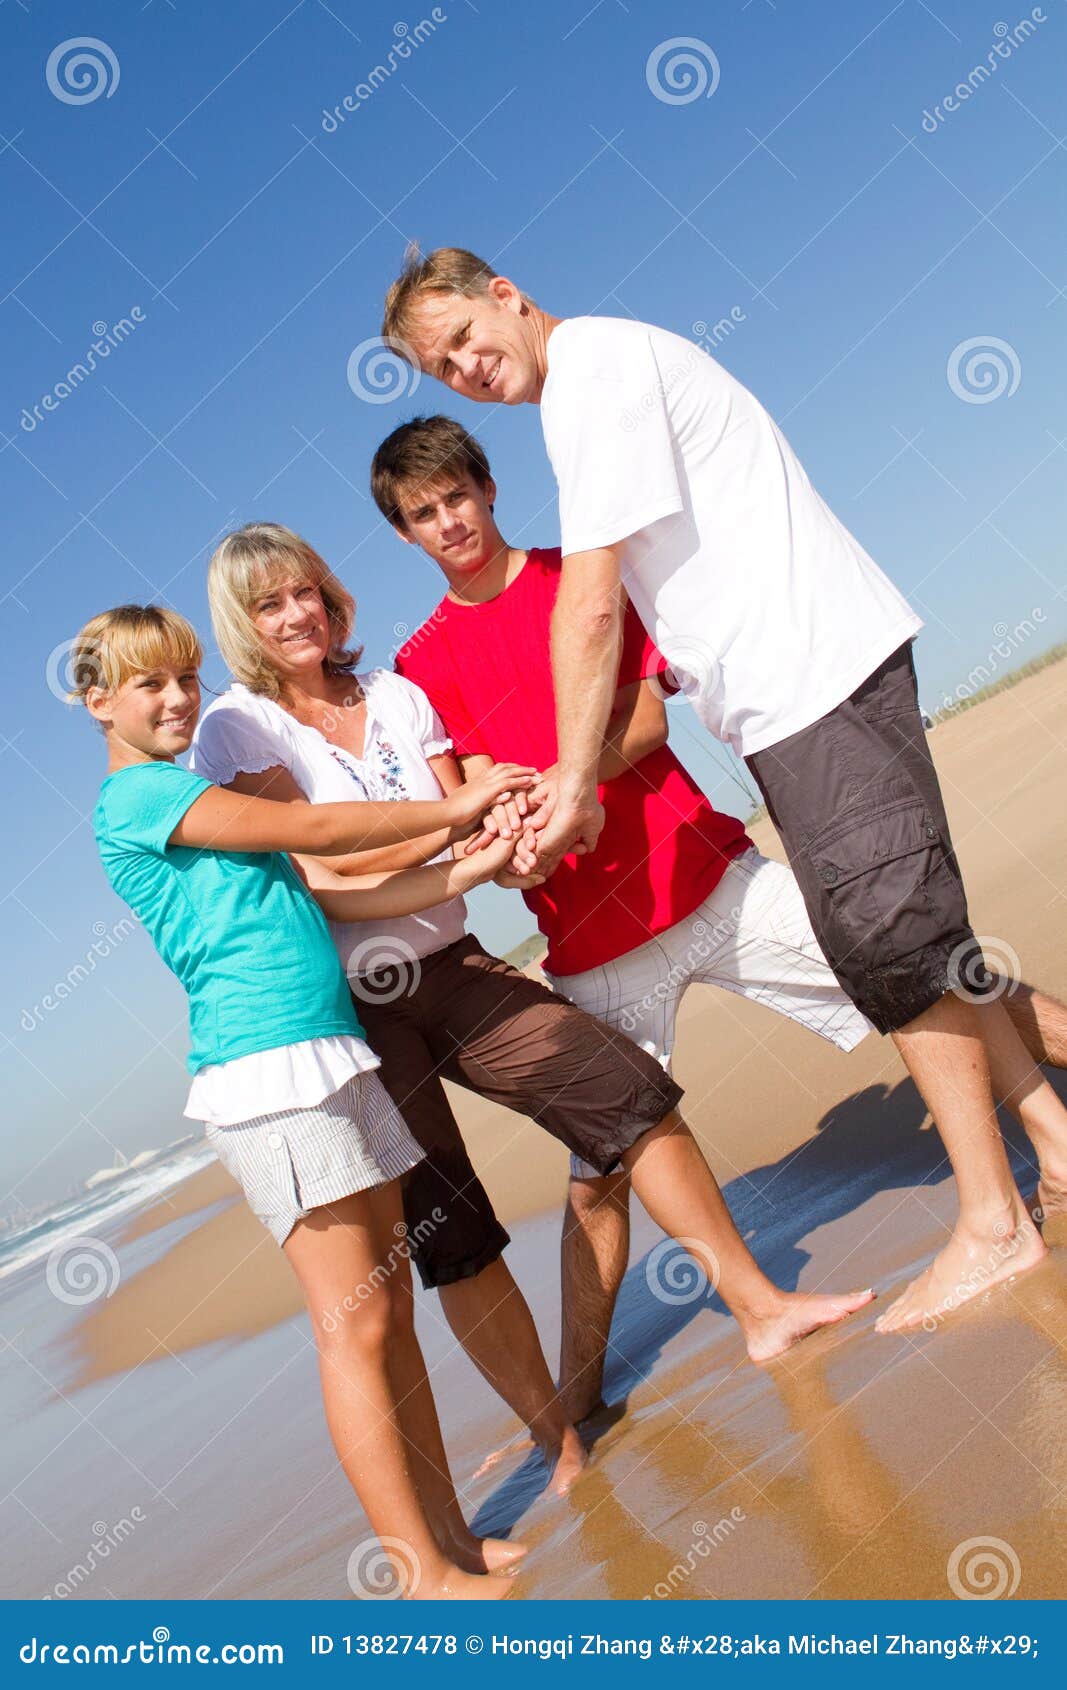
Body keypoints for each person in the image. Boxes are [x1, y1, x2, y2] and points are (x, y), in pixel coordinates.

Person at [383, 245, 1067, 1333]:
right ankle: (1051, 1153)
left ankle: (991, 1223)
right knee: (911, 947)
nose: (461, 364)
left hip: (797, 701)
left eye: (463, 335)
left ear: (506, 294)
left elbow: (594, 613)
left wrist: (568, 781)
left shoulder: (593, 379)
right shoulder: (579, 401)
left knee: (896, 950)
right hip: (755, 730)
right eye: (436, 363)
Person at [191, 523, 875, 1462]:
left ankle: (761, 1309)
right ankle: (557, 1444)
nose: (297, 613)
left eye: (305, 590)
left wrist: (499, 829)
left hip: (455, 964)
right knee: (455, 1234)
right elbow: (316, 859)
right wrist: (455, 828)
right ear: (243, 622)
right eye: (269, 604)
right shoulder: (237, 724)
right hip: (354, 1011)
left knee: (629, 1098)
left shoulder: (395, 692)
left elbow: (459, 832)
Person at [73, 603, 543, 1597]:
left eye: (187, 678)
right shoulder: (141, 802)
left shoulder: (203, 794)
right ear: (96, 700)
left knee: (393, 1316)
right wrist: (454, 806)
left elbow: (339, 893)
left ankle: (449, 1540)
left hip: (333, 1053)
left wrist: (477, 861)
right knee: (353, 1327)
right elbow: (320, 824)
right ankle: (417, 1573)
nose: (176, 698)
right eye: (148, 682)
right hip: (267, 1074)